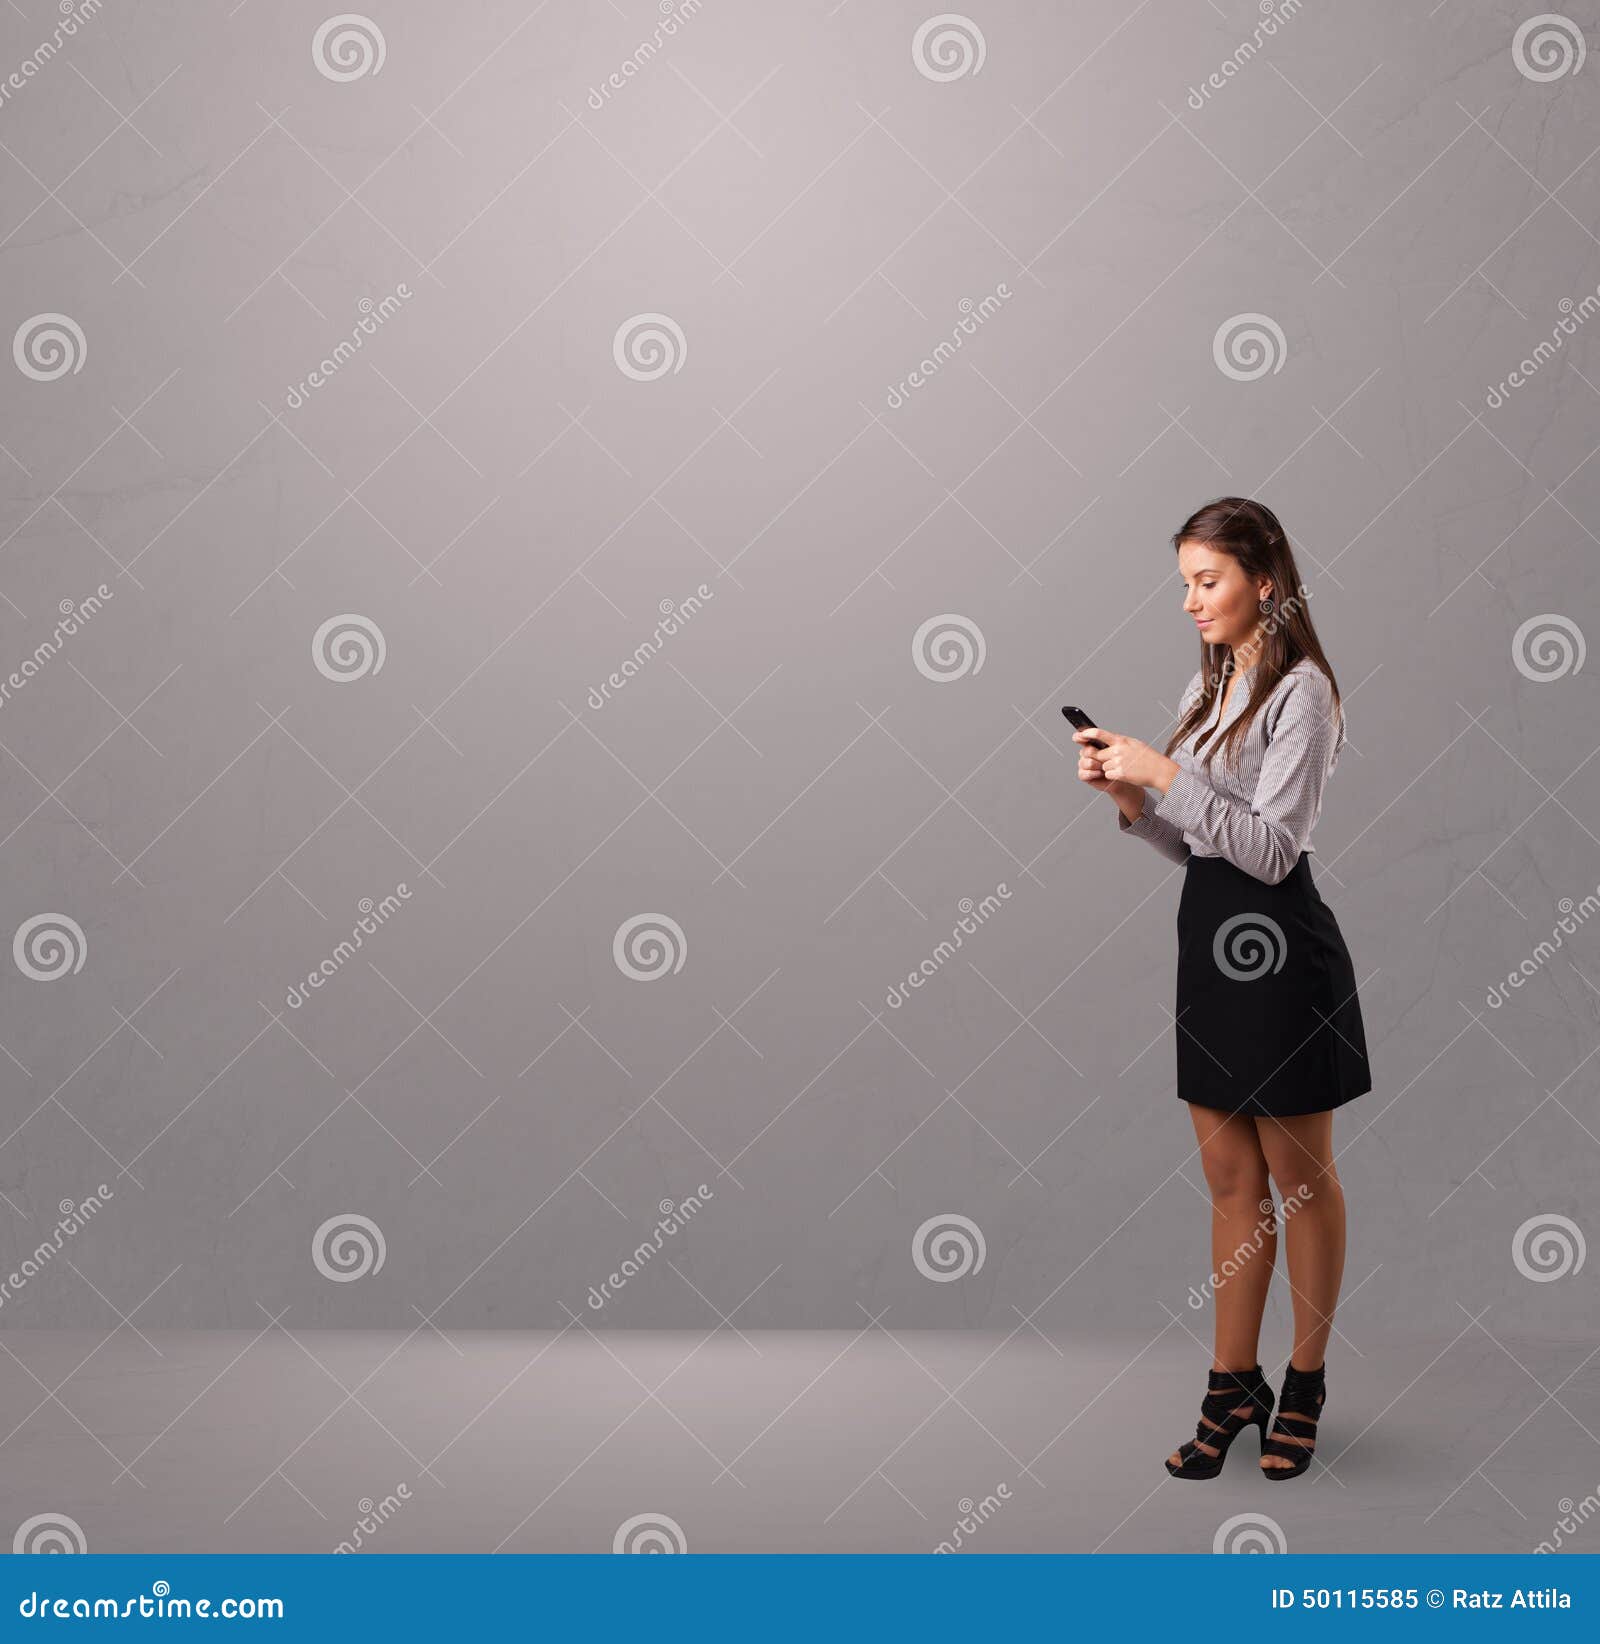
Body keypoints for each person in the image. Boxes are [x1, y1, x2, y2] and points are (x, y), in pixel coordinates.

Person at [1072, 496, 1372, 1481]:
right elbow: (1204, 845)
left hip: (1281, 952)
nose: (1192, 603)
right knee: (1229, 1183)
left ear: (1264, 583)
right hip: (1209, 945)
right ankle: (1230, 1382)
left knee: (1300, 1180)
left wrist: (1162, 768)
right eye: (1185, 586)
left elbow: (1272, 852)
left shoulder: (1304, 693)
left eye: (1207, 582)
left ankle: (1305, 1382)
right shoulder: (1210, 688)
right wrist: (1132, 803)